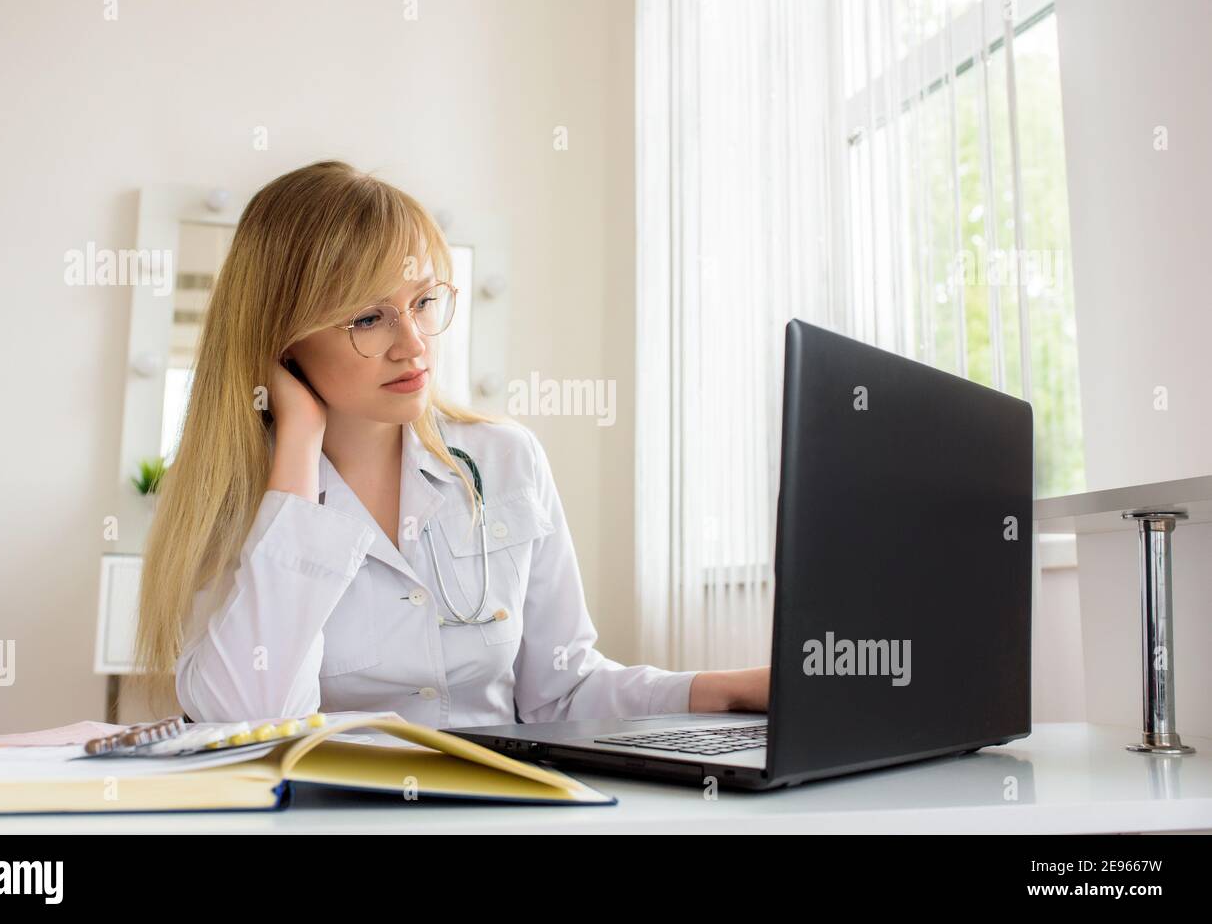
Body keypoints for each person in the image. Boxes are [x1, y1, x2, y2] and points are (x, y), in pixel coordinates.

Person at [135, 160, 768, 727]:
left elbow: (562, 694)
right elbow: (249, 717)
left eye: (424, 302)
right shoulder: (233, 500)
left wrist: (727, 691)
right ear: (282, 341)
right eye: (367, 317)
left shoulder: (505, 458)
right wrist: (298, 439)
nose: (413, 344)